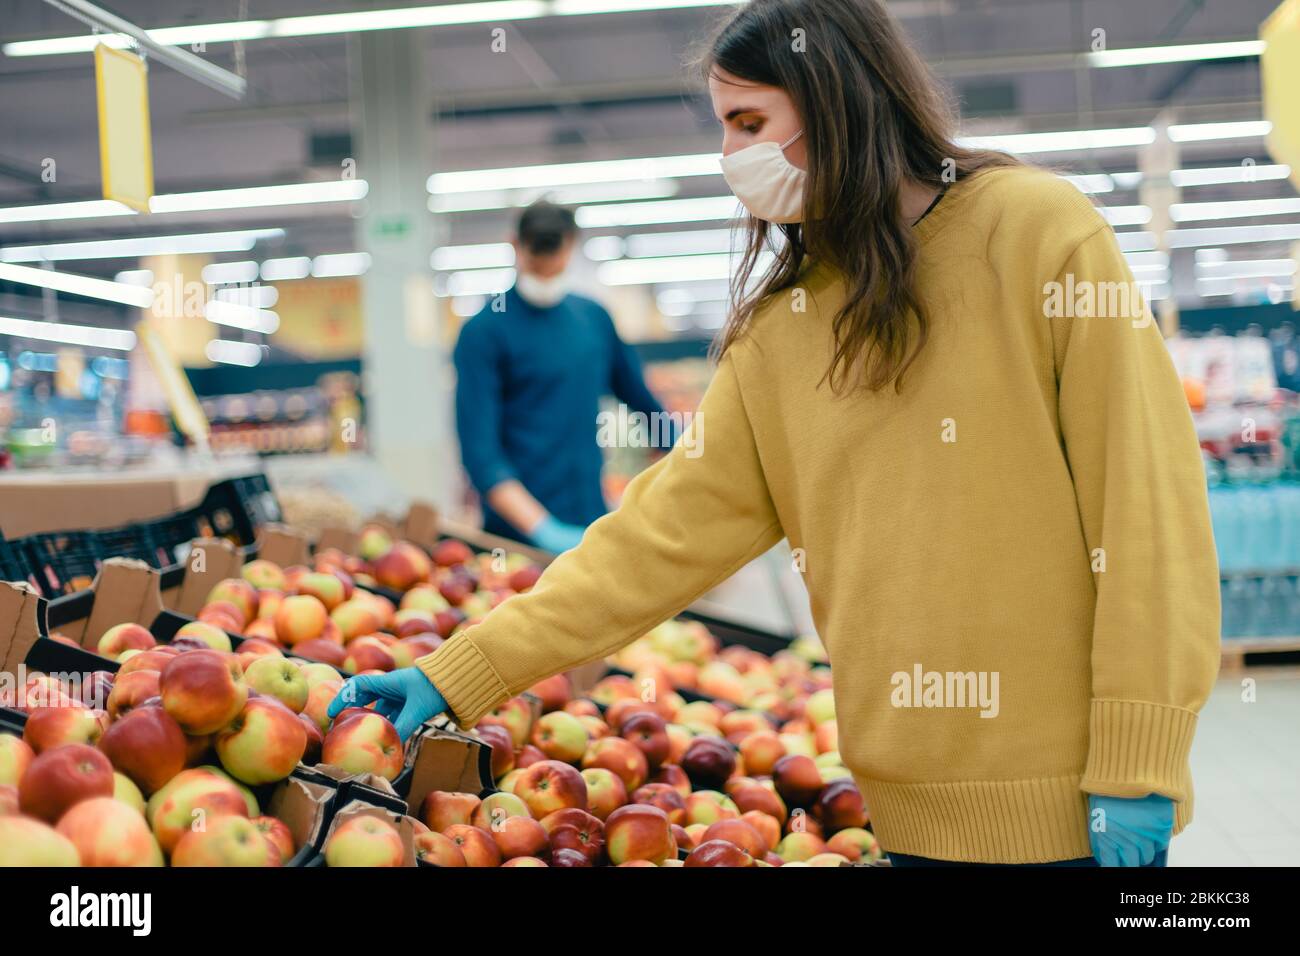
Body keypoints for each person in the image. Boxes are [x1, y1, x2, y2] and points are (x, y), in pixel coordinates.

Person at [332, 0, 1220, 867]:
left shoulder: (1039, 235)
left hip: (1068, 808)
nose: (731, 156)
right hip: (898, 812)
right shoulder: (780, 331)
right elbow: (654, 543)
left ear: (835, 95)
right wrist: (459, 671)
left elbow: (1146, 511)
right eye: (723, 127)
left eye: (749, 121)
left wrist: (1139, 760)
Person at [452, 199, 670, 553]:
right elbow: (481, 454)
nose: (546, 273)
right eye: (536, 263)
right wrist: (543, 529)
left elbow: (642, 401)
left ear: (571, 245)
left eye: (554, 262)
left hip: (589, 519)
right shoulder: (485, 332)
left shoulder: (593, 320)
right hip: (513, 539)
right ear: (515, 245)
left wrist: (682, 453)